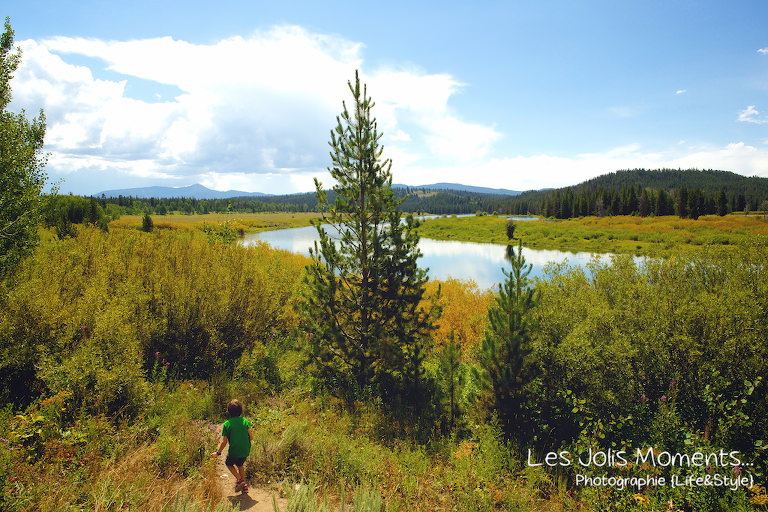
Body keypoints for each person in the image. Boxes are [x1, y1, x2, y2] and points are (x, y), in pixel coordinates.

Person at [212, 399, 253, 492]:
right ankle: (244, 487)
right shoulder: (244, 421)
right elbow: (251, 436)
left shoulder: (227, 424)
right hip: (245, 450)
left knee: (229, 464)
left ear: (228, 411)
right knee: (240, 465)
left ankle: (240, 480)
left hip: (234, 450)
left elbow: (224, 442)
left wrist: (218, 452)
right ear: (240, 410)